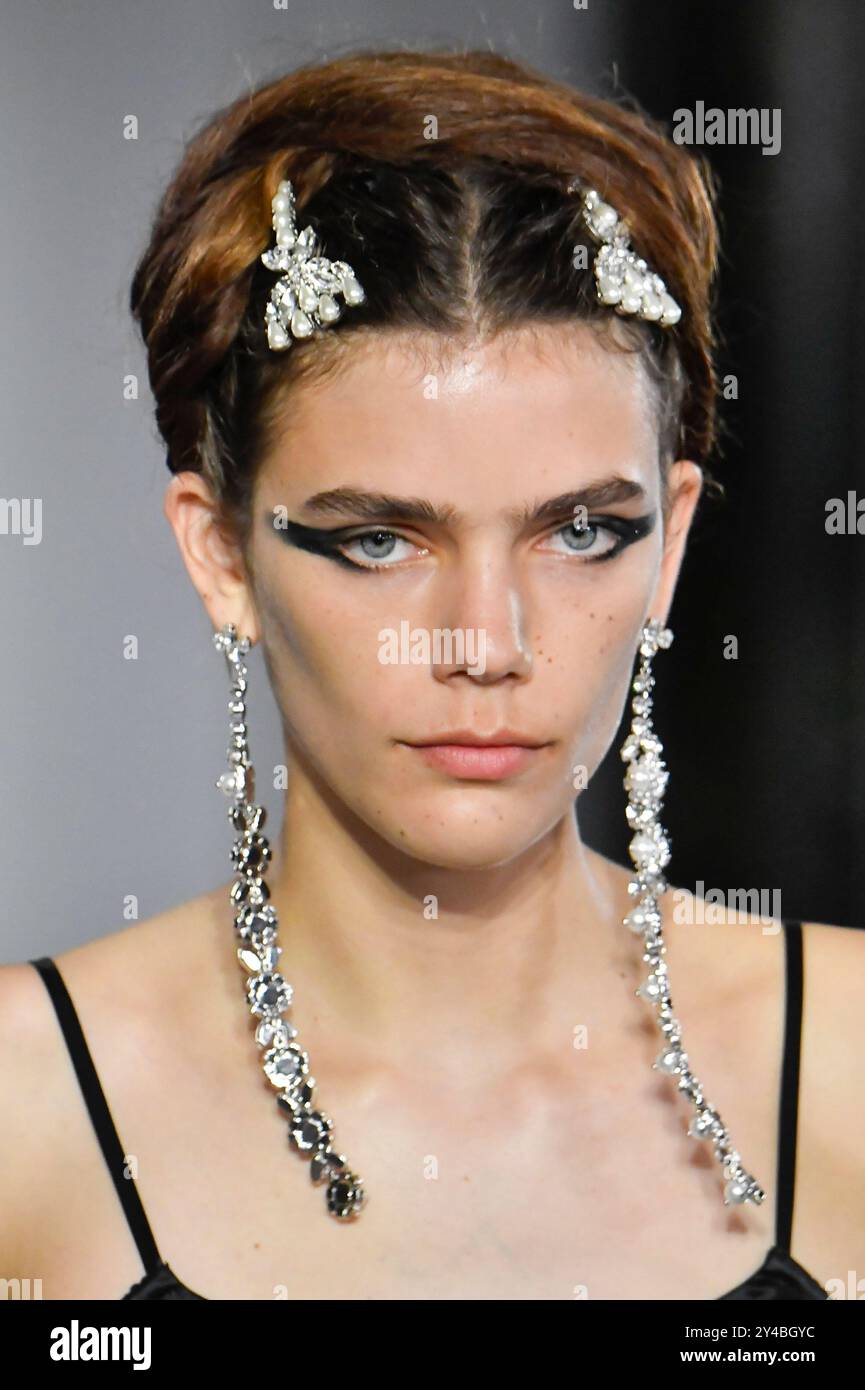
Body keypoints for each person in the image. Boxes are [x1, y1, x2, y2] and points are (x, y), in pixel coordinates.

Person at [1, 46, 863, 1302]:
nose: (486, 642)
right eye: (379, 539)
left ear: (669, 541)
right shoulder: (26, 1109)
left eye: (578, 531)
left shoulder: (848, 1064)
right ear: (220, 553)